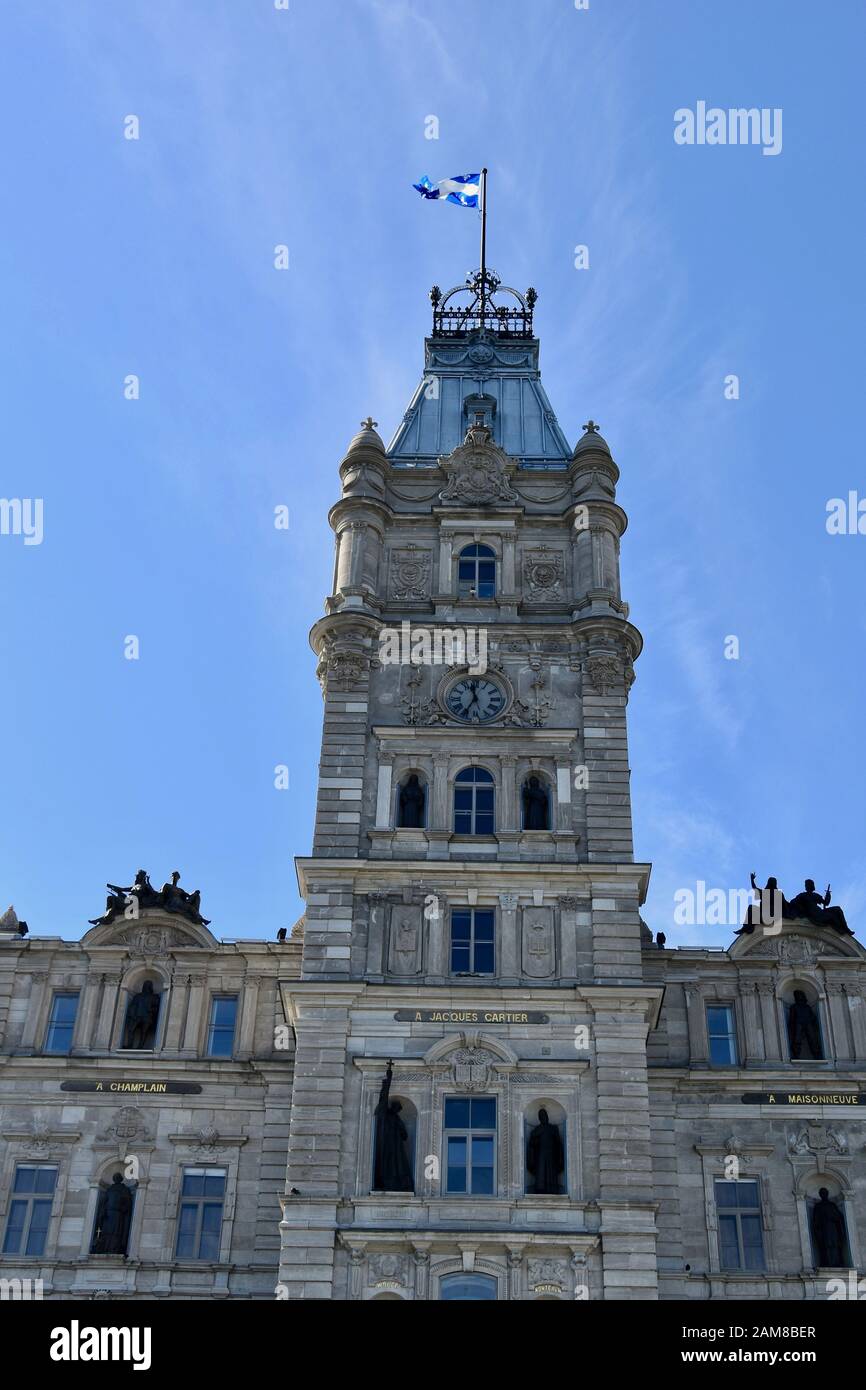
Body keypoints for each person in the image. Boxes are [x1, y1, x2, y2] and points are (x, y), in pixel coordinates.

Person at [373, 1061, 413, 1191]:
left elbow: (405, 1135)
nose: (397, 1110)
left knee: (398, 1167)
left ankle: (399, 1184)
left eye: (399, 1108)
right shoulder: (384, 1113)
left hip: (396, 1148)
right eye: (396, 1107)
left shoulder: (397, 1118)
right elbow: (383, 1096)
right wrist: (388, 1079)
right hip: (386, 1146)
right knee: (387, 1166)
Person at [526, 1108, 564, 1194]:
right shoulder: (536, 1130)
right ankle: (540, 1188)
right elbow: (532, 1143)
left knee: (551, 1173)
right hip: (540, 1155)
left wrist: (560, 1156)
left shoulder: (553, 1128)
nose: (543, 1117)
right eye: (541, 1116)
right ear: (540, 1118)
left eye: (544, 1115)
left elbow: (558, 1143)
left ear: (547, 1116)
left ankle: (552, 1188)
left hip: (552, 1154)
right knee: (541, 1172)